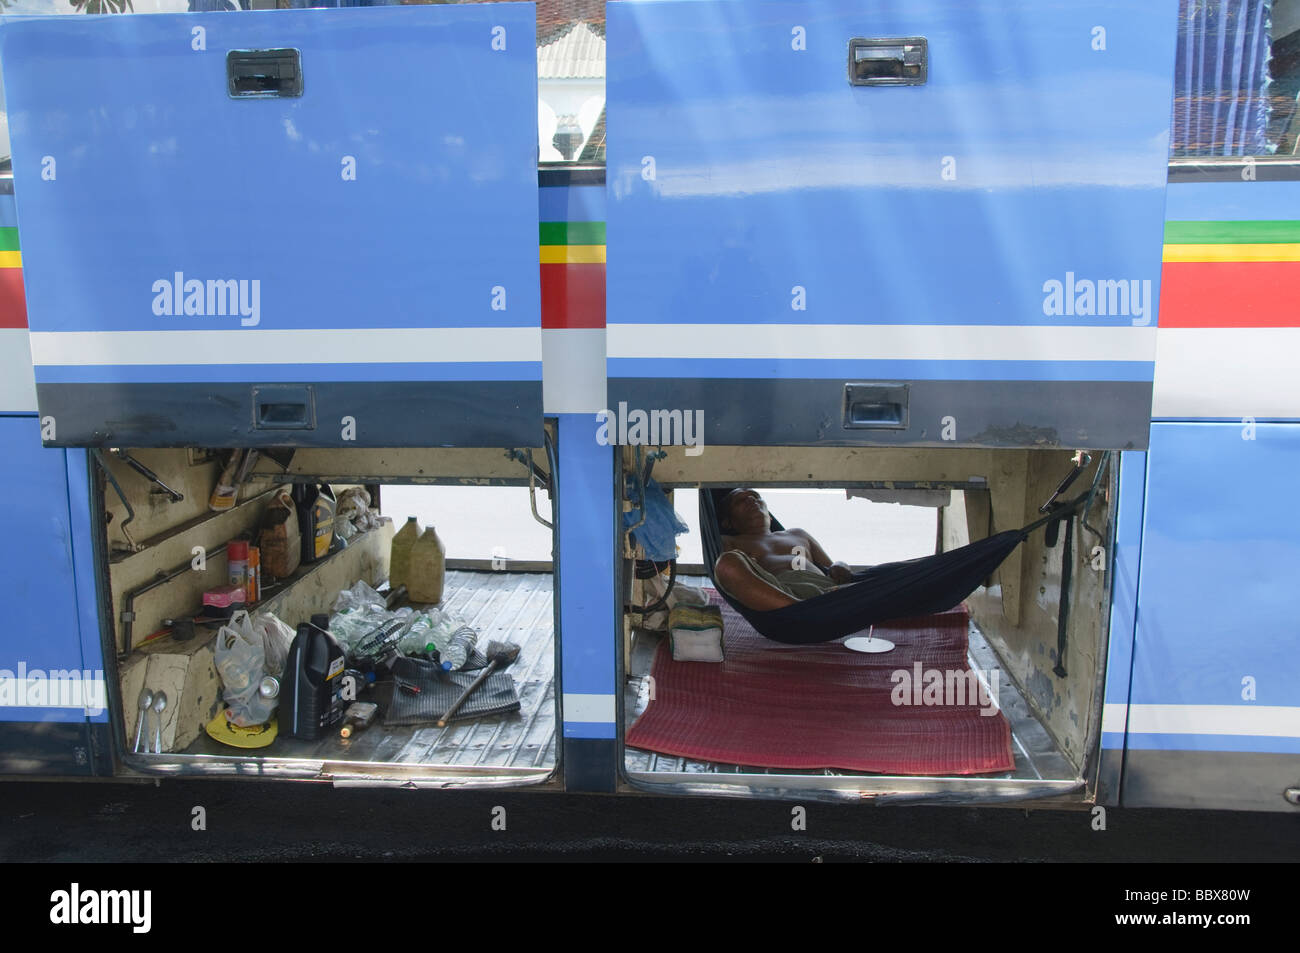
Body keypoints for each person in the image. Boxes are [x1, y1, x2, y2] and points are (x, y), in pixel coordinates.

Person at [714, 488, 855, 611]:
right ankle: (802, 610)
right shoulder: (729, 541)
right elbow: (729, 576)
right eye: (740, 501)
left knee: (876, 582)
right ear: (728, 522)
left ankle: (811, 611)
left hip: (830, 591)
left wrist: (841, 565)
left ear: (769, 515)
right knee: (727, 564)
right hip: (781, 594)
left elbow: (832, 568)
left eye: (755, 496)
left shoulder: (798, 534)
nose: (751, 499)